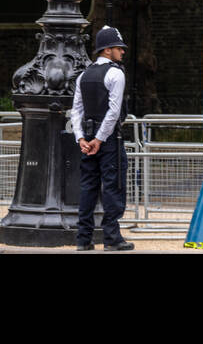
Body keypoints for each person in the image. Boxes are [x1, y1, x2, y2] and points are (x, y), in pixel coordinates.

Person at [71, 25, 134, 251]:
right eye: (119, 48)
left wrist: (81, 138)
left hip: (87, 139)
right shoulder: (116, 73)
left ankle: (83, 239)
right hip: (108, 140)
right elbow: (114, 111)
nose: (122, 52)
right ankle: (111, 238)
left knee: (88, 188)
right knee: (113, 185)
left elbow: (76, 110)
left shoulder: (84, 75)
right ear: (107, 50)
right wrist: (100, 139)